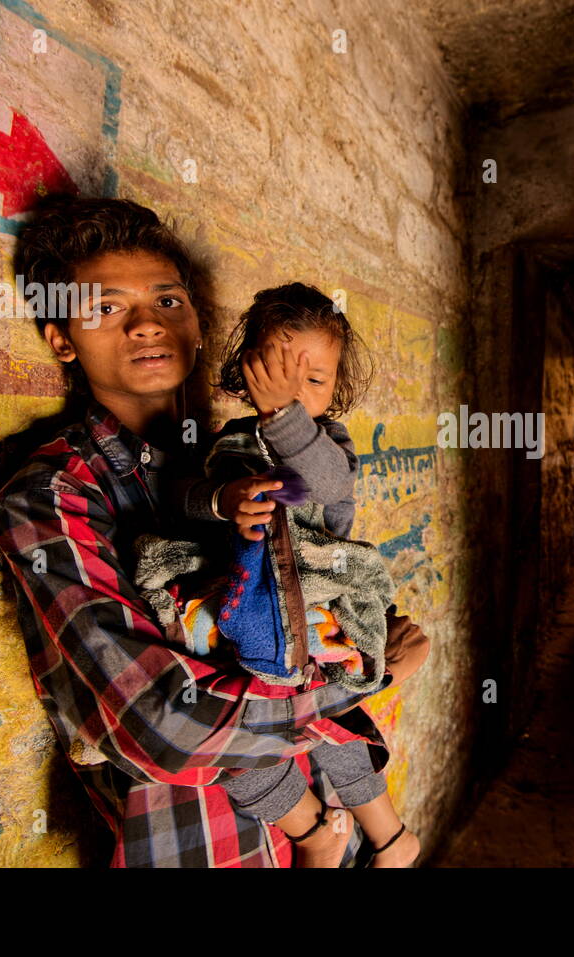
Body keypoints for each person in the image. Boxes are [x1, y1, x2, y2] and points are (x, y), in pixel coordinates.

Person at [0, 196, 428, 868]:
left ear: (197, 327)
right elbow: (161, 721)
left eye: (167, 302)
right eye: (106, 308)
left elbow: (318, 562)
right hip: (204, 843)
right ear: (61, 339)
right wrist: (366, 674)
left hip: (331, 816)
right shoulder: (54, 495)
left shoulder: (239, 455)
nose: (144, 325)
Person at [129, 282, 424, 867]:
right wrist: (220, 501)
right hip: (236, 603)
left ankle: (390, 839)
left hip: (317, 599)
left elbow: (330, 486)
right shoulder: (226, 444)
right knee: (239, 752)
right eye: (275, 373)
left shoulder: (328, 446)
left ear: (335, 389)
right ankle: (323, 831)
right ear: (246, 368)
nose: (292, 392)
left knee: (336, 726)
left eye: (314, 382)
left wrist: (284, 418)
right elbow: (181, 498)